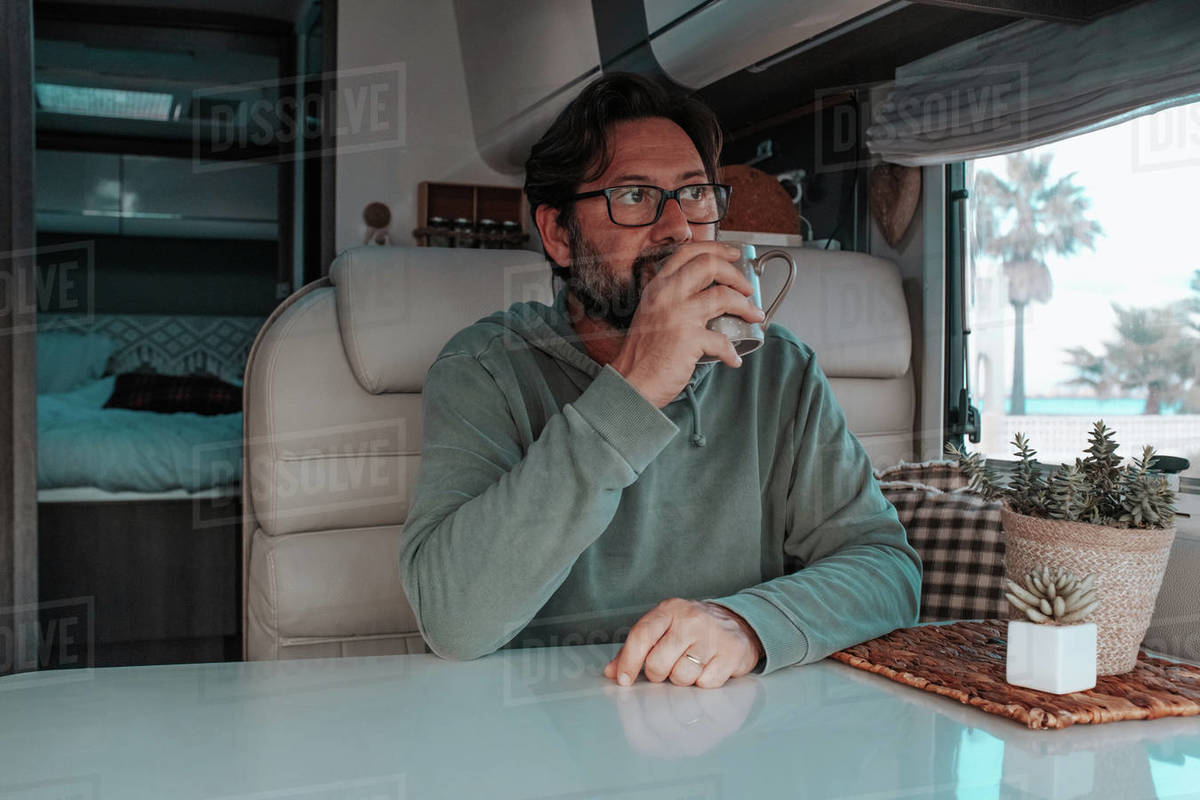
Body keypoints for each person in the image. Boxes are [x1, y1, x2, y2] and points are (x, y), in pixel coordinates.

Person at [400, 72, 921, 689]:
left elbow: (887, 569)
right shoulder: (485, 367)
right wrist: (635, 389)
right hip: (544, 727)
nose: (677, 229)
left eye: (695, 194)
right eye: (634, 196)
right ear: (559, 234)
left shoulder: (778, 368)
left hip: (730, 728)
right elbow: (454, 621)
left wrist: (747, 626)